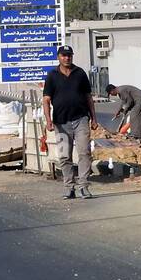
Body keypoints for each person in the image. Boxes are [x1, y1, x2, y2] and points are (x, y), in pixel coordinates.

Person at [42, 45, 96, 199]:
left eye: (69, 55)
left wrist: (94, 118)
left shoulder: (80, 73)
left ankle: (84, 186)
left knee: (84, 153)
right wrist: (48, 120)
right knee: (65, 156)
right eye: (64, 55)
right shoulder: (52, 75)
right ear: (58, 57)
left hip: (81, 120)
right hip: (61, 122)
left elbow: (88, 97)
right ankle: (69, 187)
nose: (67, 58)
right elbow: (46, 100)